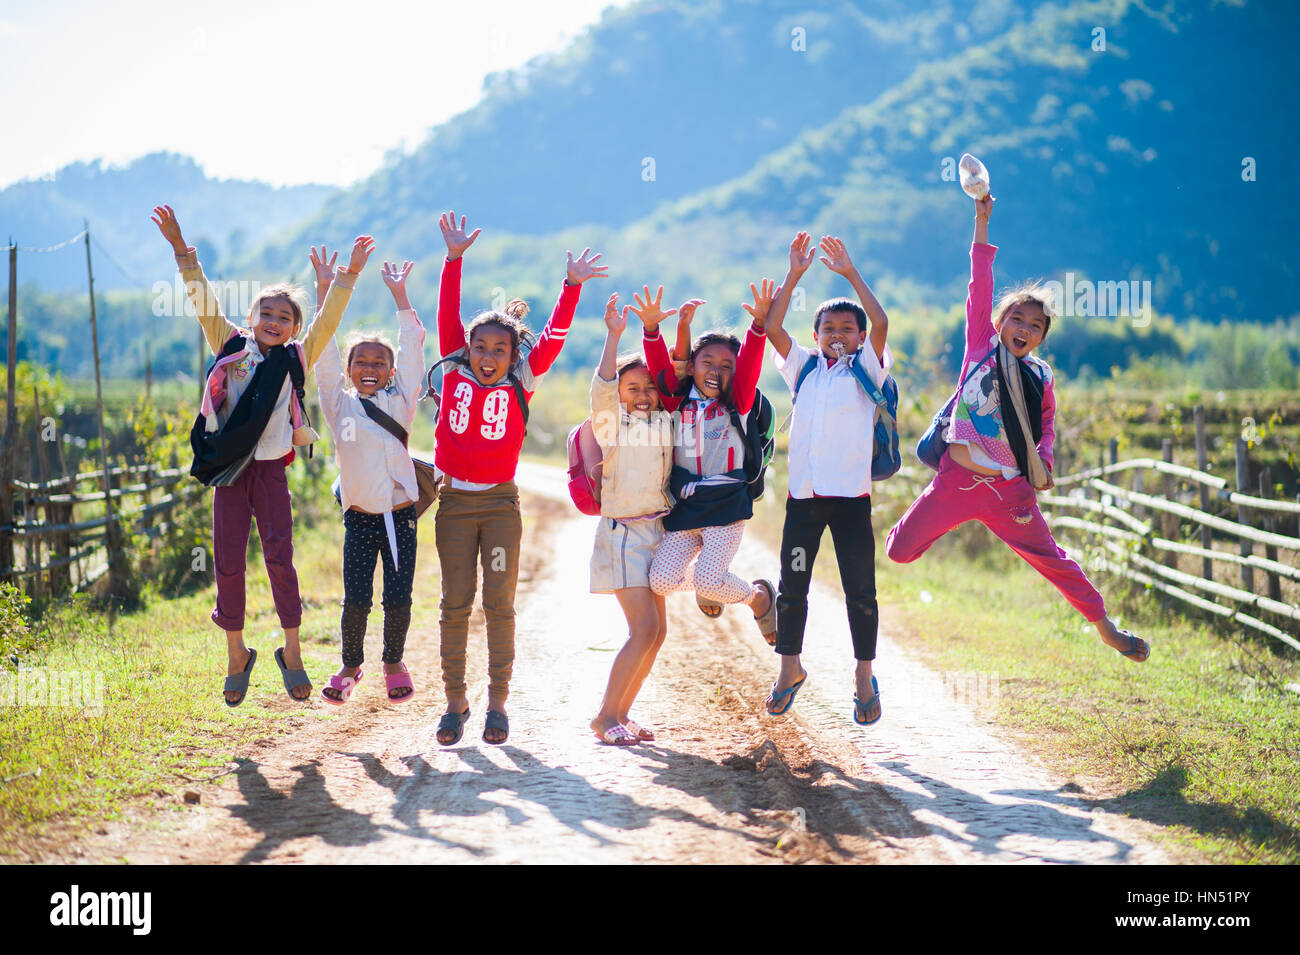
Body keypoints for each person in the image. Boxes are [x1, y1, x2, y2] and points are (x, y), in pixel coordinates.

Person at [885, 193, 1150, 663]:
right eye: (1016, 318)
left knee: (1056, 564)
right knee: (899, 553)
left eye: (1035, 324)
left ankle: (1107, 628)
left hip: (1010, 494)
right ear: (999, 322)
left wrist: (1043, 461)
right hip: (956, 483)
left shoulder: (1041, 376)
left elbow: (1046, 427)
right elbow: (979, 285)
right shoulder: (980, 347)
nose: (1024, 327)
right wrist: (981, 224)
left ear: (1042, 337)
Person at [151, 204, 374, 705]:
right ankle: (237, 654)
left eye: (285, 317)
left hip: (272, 471)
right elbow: (201, 299)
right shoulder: (230, 343)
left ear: (295, 328)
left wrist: (349, 276)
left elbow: (328, 320)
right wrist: (181, 251)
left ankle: (291, 652)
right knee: (228, 563)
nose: (274, 322)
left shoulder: (298, 356)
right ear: (250, 319)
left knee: (281, 559)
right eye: (266, 314)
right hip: (230, 473)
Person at [432, 211, 607, 745]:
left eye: (499, 350)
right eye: (480, 347)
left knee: (499, 603)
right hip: (455, 506)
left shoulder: (523, 382)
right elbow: (446, 312)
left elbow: (553, 336)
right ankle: (454, 699)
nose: (488, 357)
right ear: (468, 348)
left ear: (513, 355)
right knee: (454, 602)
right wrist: (454, 260)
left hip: (501, 508)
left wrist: (571, 287)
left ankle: (497, 701)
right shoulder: (453, 367)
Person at [760, 232, 892, 725]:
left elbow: (881, 320)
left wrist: (850, 273)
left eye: (846, 328)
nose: (837, 334)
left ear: (859, 337)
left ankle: (863, 676)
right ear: (815, 335)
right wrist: (794, 272)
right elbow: (773, 327)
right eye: (828, 327)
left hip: (851, 504)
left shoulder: (868, 369)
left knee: (861, 591)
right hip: (804, 504)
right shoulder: (804, 370)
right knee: (792, 586)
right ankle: (789, 669)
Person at [313, 254, 426, 705]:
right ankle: (350, 665)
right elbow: (321, 352)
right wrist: (326, 291)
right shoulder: (338, 404)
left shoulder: (402, 402)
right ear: (349, 368)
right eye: (361, 360)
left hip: (400, 518)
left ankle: (394, 661)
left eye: (380, 361)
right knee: (355, 599)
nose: (370, 366)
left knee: (398, 598)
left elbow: (414, 348)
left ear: (392, 371)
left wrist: (400, 295)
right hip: (359, 519)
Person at [638, 283, 777, 643]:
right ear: (692, 367)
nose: (716, 370)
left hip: (727, 504)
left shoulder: (738, 402)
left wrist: (758, 326)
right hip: (685, 504)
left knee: (709, 579)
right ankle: (712, 583)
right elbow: (660, 366)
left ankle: (758, 598)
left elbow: (749, 364)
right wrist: (653, 330)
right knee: (661, 581)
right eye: (707, 362)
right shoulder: (676, 400)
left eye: (726, 365)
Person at [586, 293, 679, 745]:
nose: (642, 396)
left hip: (657, 532)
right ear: (619, 396)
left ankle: (622, 712)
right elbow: (602, 384)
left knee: (657, 633)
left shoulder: (665, 422)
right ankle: (604, 717)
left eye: (649, 388)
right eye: (632, 389)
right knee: (642, 629)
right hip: (624, 533)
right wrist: (614, 334)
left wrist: (676, 326)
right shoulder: (611, 426)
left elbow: (678, 373)